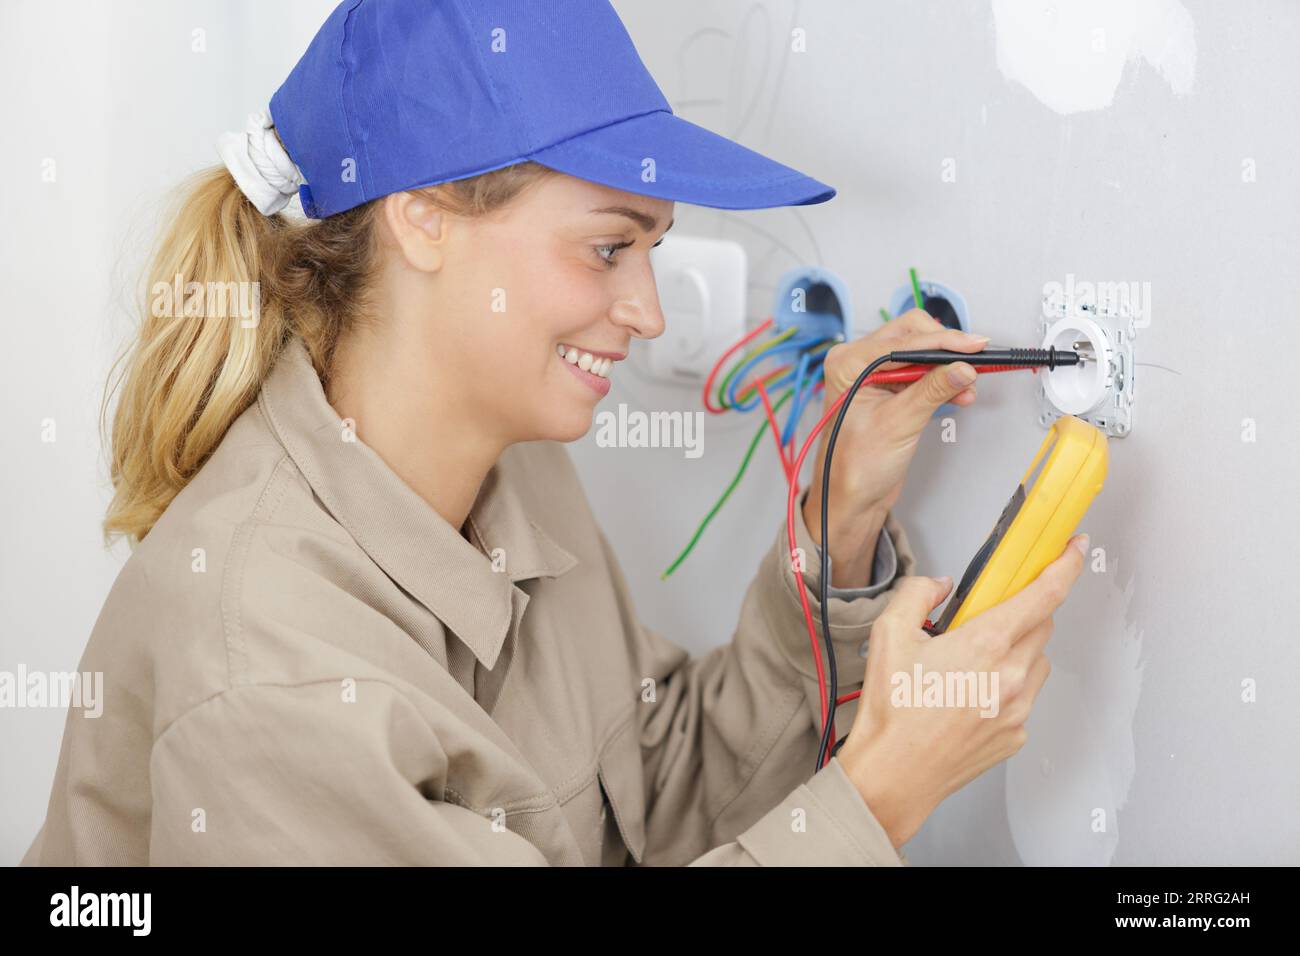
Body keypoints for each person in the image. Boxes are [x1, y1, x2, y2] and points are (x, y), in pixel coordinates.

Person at [22, 0, 1085, 866]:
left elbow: (663, 790)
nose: (649, 310)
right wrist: (883, 792)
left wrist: (836, 515)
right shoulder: (267, 673)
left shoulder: (514, 462)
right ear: (423, 214)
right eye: (607, 247)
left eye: (653, 248)